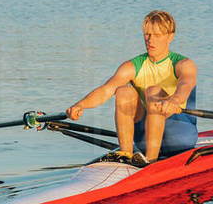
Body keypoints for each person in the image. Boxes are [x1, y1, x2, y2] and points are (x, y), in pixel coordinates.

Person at [66, 10, 198, 166]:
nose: (150, 40)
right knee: (123, 91)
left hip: (180, 135)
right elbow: (106, 90)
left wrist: (175, 100)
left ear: (170, 36)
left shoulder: (183, 64)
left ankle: (151, 161)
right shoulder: (133, 65)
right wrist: (80, 105)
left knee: (153, 91)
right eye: (147, 34)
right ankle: (126, 155)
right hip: (145, 138)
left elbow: (186, 84)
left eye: (157, 35)